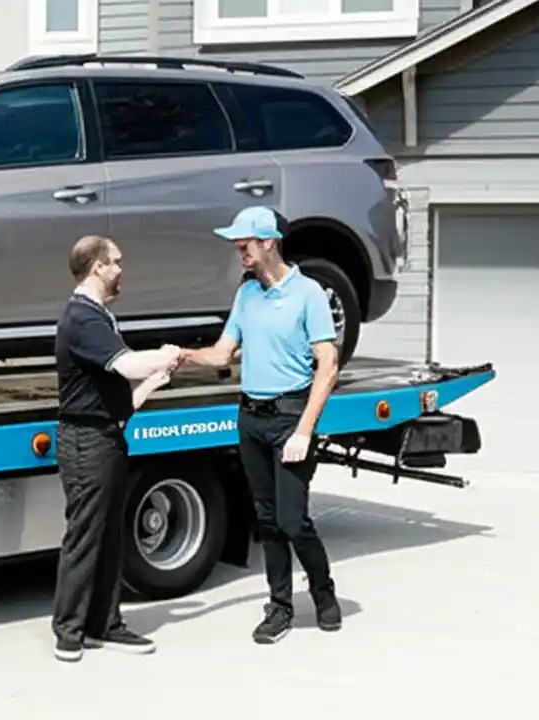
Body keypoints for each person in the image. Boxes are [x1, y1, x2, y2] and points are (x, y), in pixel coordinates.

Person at [176, 206, 343, 644]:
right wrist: (180, 356)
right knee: (266, 521)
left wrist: (304, 430)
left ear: (268, 242)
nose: (239, 251)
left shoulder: (308, 293)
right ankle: (280, 605)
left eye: (244, 244)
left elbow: (328, 364)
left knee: (293, 520)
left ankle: (323, 592)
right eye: (236, 245)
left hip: (291, 417)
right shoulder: (247, 294)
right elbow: (222, 353)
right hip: (250, 418)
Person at [51, 234, 180, 662]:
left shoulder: (96, 316)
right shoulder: (84, 318)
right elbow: (125, 363)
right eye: (117, 262)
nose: (122, 269)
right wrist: (163, 355)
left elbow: (109, 393)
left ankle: (103, 625)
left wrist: (148, 385)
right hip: (88, 443)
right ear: (97, 268)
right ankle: (69, 633)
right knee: (86, 536)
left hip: (102, 436)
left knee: (107, 536)